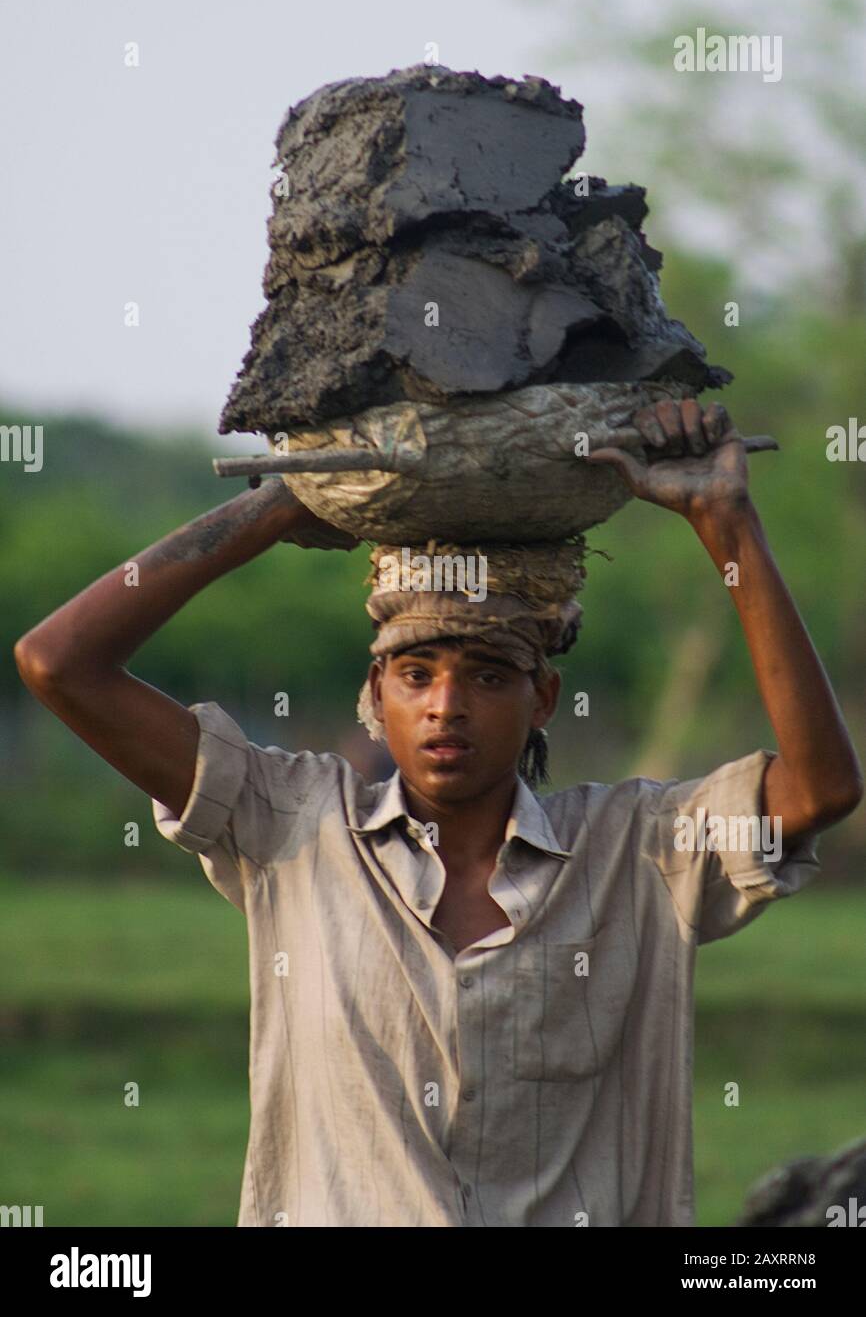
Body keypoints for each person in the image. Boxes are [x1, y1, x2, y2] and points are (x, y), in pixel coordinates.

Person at [14, 398, 862, 1228]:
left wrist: (728, 525)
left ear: (544, 699)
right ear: (376, 695)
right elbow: (58, 663)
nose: (445, 706)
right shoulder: (291, 825)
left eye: (489, 676)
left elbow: (821, 789)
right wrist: (274, 509)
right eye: (416, 674)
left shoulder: (639, 852)